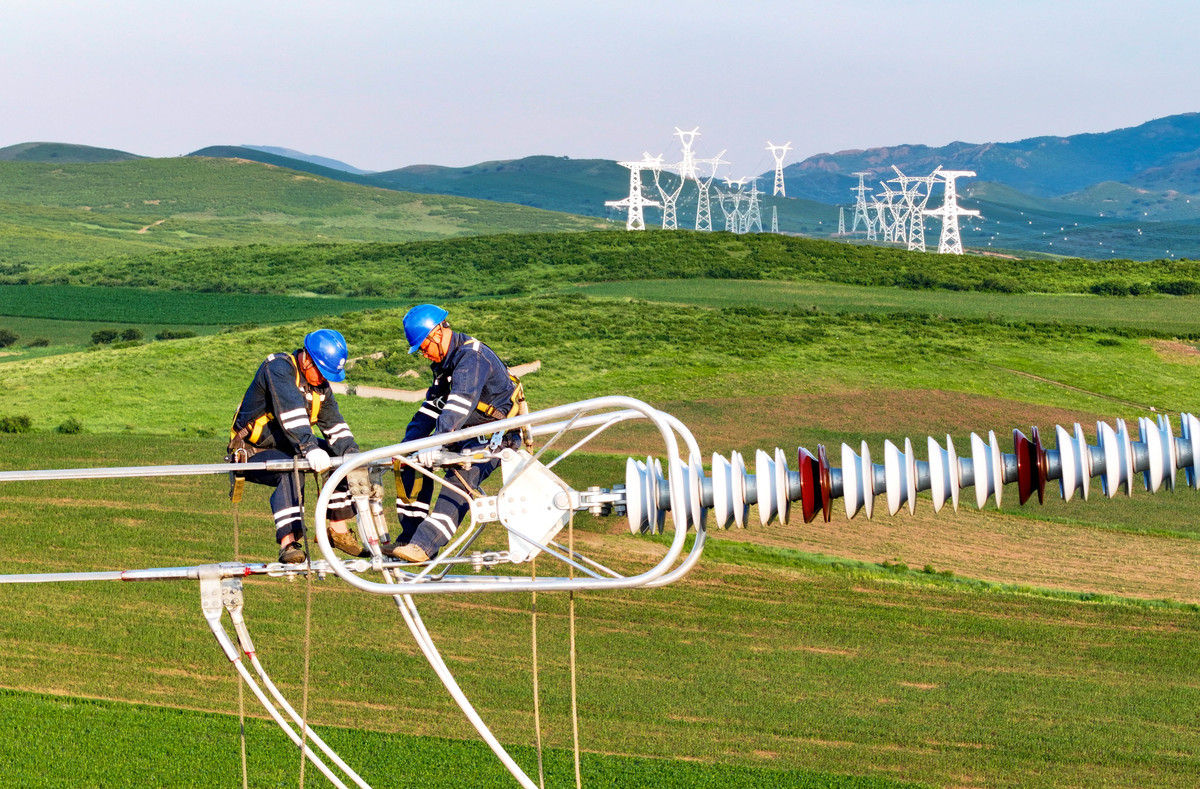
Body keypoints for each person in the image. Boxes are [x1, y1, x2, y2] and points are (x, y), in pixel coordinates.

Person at [383, 304, 523, 563]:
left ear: (437, 332)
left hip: (497, 436)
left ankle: (424, 546)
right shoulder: (444, 366)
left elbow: (460, 403)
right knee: (410, 462)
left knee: (459, 479)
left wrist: (437, 442)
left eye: (424, 347)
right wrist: (406, 448)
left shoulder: (471, 357)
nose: (424, 355)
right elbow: (430, 410)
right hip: (464, 432)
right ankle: (410, 537)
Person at [227, 329, 365, 563]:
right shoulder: (279, 368)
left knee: (340, 458)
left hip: (289, 445)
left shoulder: (320, 388)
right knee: (291, 468)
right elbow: (292, 415)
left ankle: (337, 529)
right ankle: (289, 543)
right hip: (252, 451)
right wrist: (310, 448)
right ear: (307, 359)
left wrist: (353, 456)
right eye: (322, 373)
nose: (324, 380)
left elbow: (335, 426)